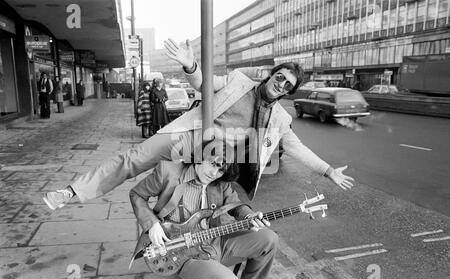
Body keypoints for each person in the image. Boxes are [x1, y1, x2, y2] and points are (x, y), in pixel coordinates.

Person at [43, 38, 354, 211]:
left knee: (221, 210)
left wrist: (327, 170)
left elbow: (296, 148)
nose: (281, 84)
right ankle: (72, 192)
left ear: (289, 92)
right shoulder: (237, 81)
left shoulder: (281, 118)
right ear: (271, 75)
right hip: (190, 137)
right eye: (280, 77)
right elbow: (204, 84)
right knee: (134, 159)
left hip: (221, 162)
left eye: (288, 85)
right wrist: (190, 65)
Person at [129, 140, 279, 279]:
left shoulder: (220, 183)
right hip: (183, 251)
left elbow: (235, 205)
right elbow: (137, 194)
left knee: (269, 239)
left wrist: (249, 216)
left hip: (212, 242)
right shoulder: (168, 171)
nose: (214, 174)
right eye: (213, 164)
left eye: (221, 170)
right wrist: (152, 224)